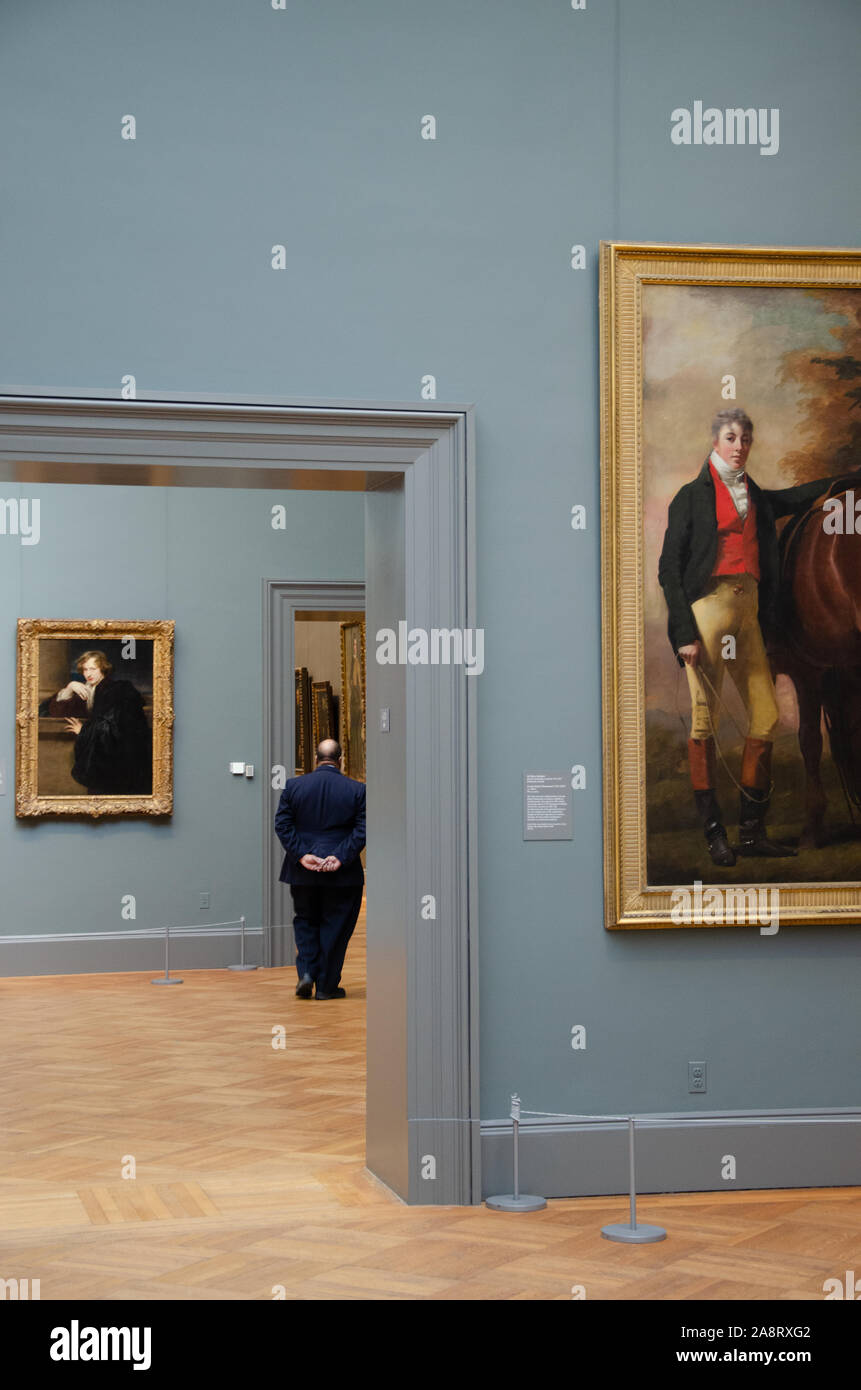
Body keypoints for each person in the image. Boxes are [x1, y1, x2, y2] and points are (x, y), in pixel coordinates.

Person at [658, 408, 840, 867]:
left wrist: (843, 480)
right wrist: (684, 634)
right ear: (715, 441)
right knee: (704, 723)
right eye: (731, 437)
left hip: (748, 614)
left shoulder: (753, 493)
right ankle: (714, 834)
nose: (739, 446)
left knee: (765, 718)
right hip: (707, 614)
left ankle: (752, 833)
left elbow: (793, 498)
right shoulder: (689, 497)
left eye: (745, 440)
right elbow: (668, 571)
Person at [274, 738, 366, 1000]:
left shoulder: (294, 786)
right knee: (335, 927)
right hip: (343, 874)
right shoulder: (357, 790)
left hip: (303, 872)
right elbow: (362, 829)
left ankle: (306, 973)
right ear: (341, 759)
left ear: (315, 760)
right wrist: (339, 856)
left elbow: (282, 825)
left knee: (305, 921)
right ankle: (326, 986)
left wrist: (302, 855)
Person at [49, 650, 152, 795]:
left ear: (103, 668)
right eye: (85, 669)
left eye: (93, 669)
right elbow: (56, 713)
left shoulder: (117, 690)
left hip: (120, 758)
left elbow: (113, 725)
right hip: (101, 756)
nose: (88, 674)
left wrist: (83, 731)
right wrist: (70, 687)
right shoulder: (87, 690)